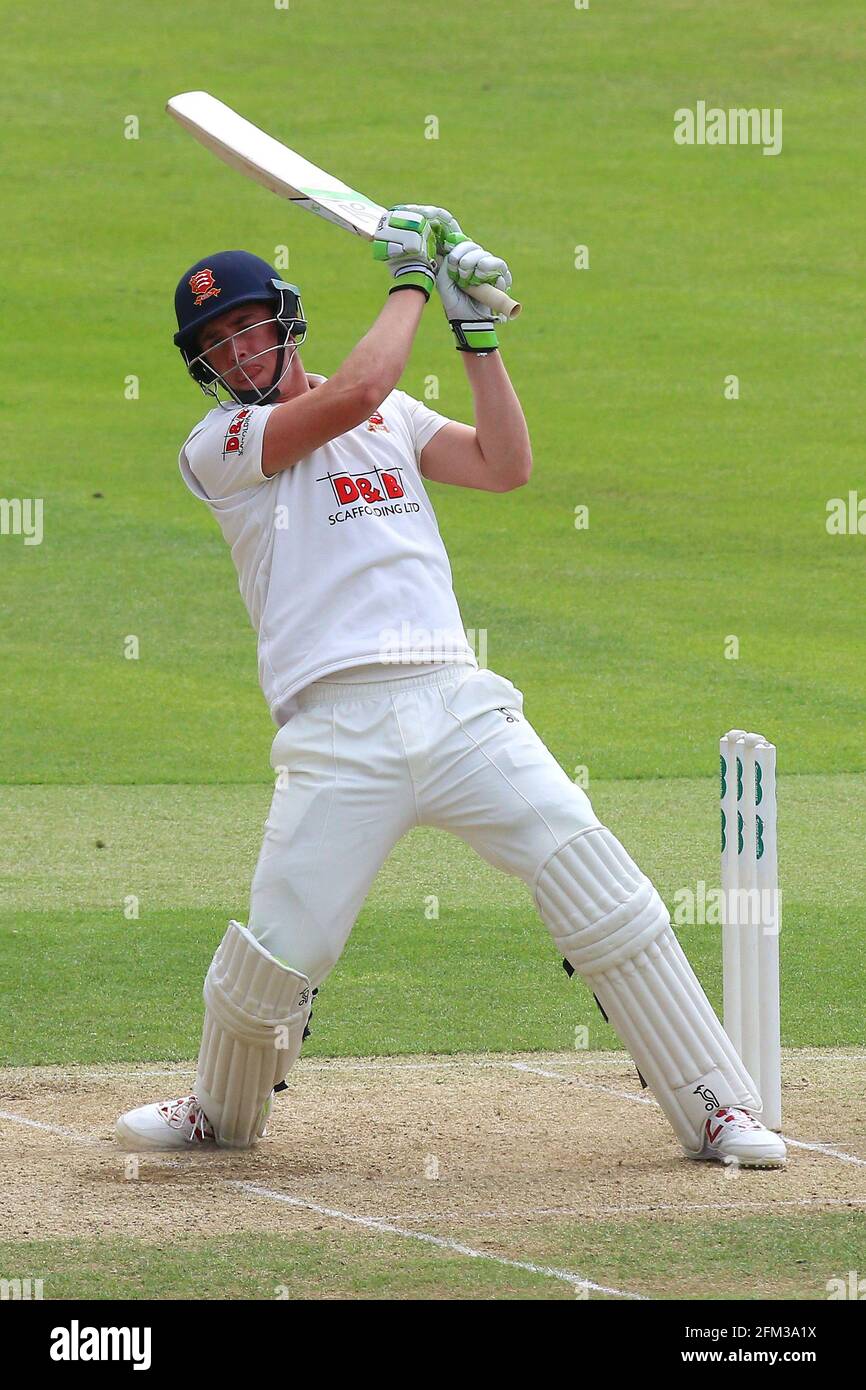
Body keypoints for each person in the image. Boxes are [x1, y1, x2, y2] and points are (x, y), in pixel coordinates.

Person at [116, 207, 785, 1168]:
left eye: (249, 324)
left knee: (604, 889)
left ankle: (721, 1108)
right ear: (203, 366)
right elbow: (355, 390)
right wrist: (411, 279)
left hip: (456, 698)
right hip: (334, 724)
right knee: (277, 953)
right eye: (216, 343)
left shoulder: (391, 416)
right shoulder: (221, 447)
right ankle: (221, 1112)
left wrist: (478, 339)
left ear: (285, 320)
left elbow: (504, 465)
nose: (237, 351)